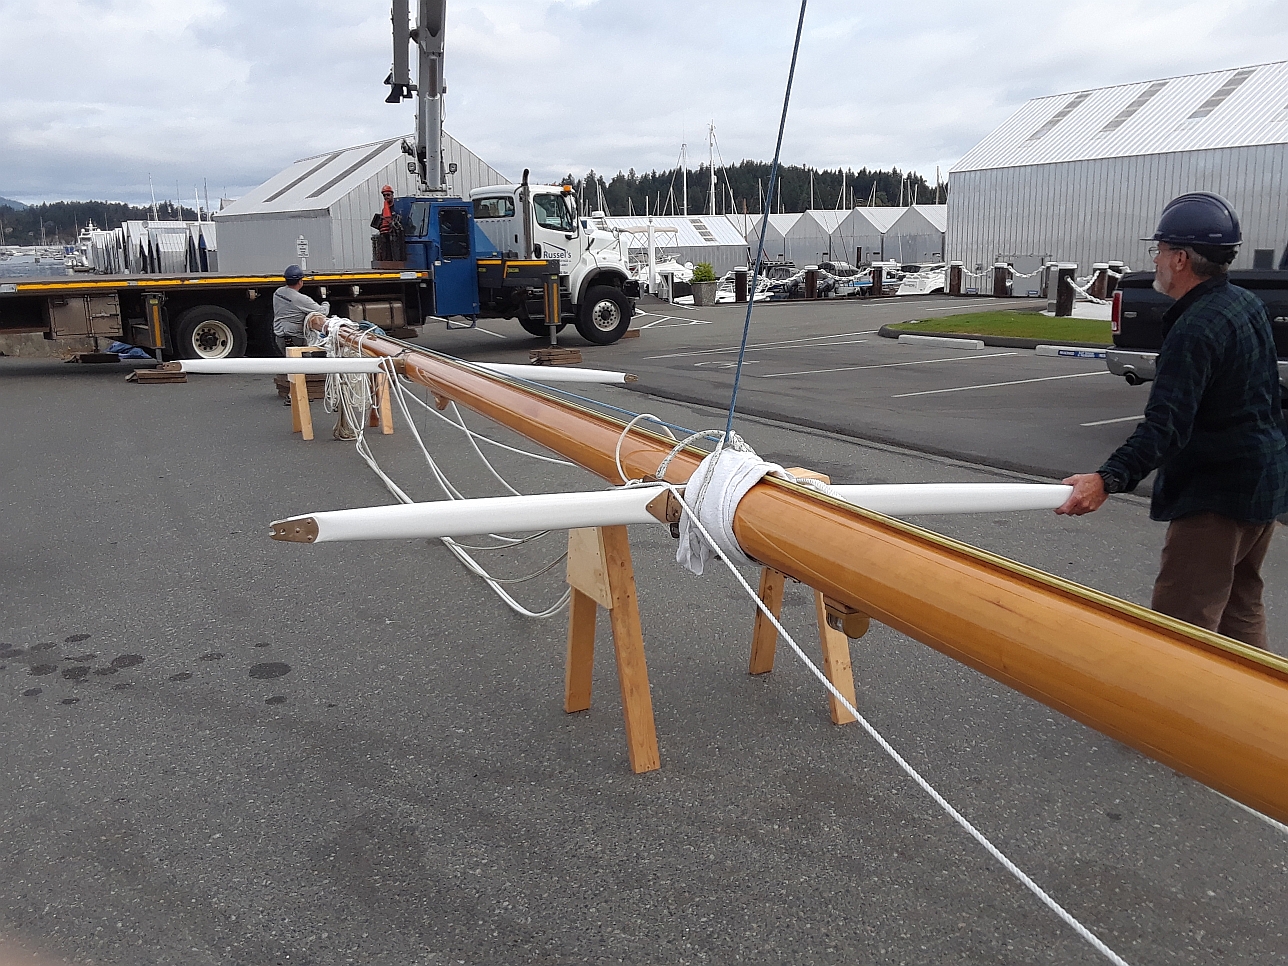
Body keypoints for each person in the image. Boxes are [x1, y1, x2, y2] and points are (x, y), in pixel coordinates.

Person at [1056, 191, 1288, 650]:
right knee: (1241, 607)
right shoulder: (1244, 304)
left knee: (1181, 627)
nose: (1156, 259)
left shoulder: (1196, 327)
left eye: (1160, 250)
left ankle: (1176, 716)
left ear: (1180, 258)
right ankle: (1255, 715)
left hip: (1217, 498)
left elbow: (1167, 425)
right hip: (1264, 484)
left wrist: (1106, 479)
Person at [272, 264, 329, 355]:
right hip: (295, 338)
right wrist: (326, 303)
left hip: (280, 337)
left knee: (290, 362)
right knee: (305, 366)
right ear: (300, 282)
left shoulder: (278, 293)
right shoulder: (301, 299)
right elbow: (323, 312)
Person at [370, 184, 407, 263]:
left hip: (396, 235)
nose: (386, 197)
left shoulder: (397, 207)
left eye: (388, 195)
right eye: (384, 195)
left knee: (396, 249)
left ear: (392, 195)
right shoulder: (384, 209)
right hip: (386, 234)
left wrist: (393, 222)